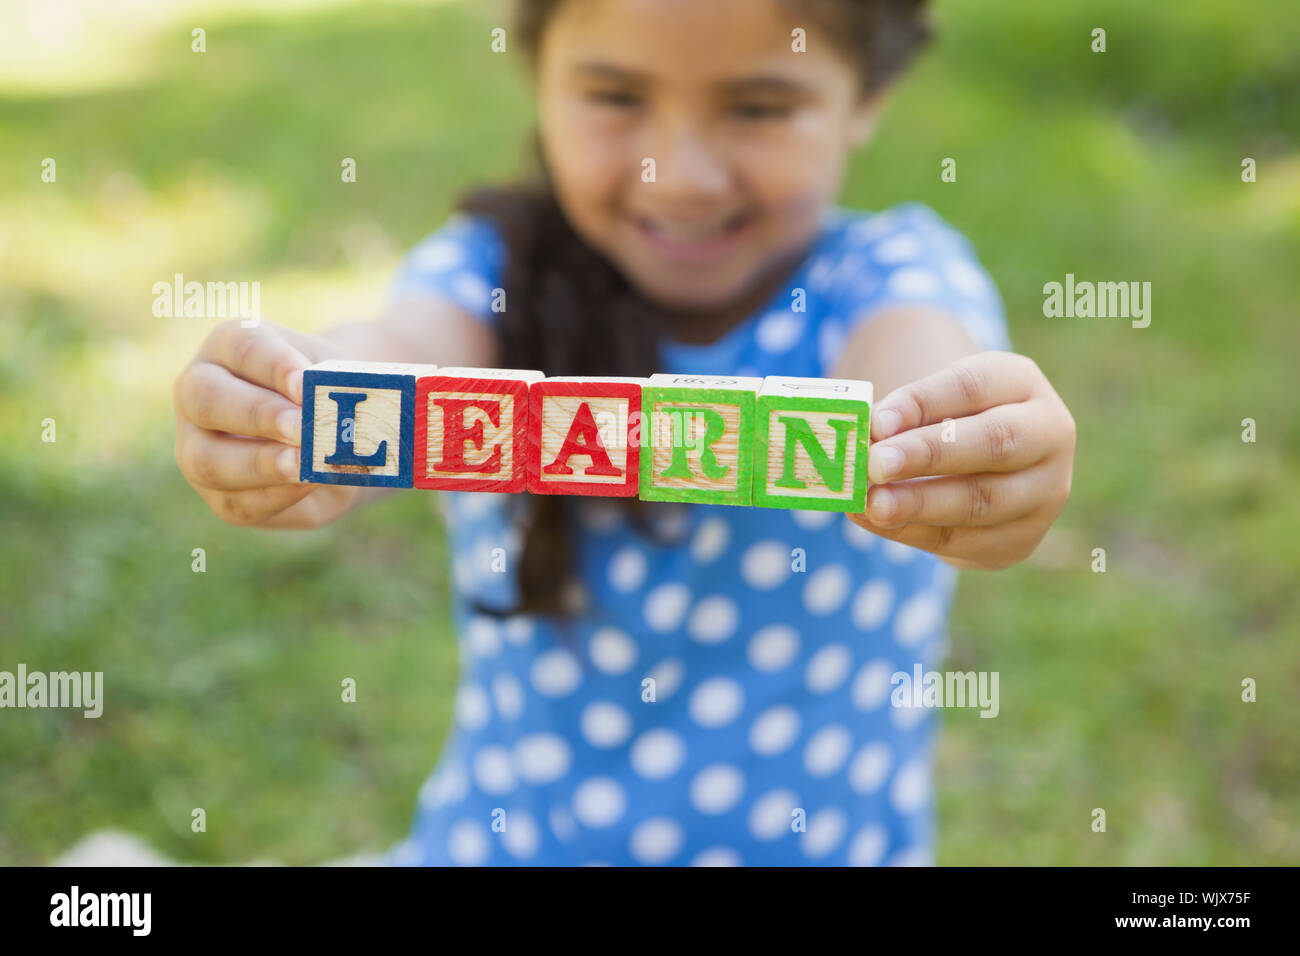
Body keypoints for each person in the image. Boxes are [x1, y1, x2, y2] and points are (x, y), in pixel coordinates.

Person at [172, 0, 1075, 865]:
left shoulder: (892, 274)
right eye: (615, 97)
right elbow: (397, 354)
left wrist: (959, 447)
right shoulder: (488, 271)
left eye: (759, 106)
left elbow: (915, 373)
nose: (679, 175)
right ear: (537, 73)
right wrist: (298, 394)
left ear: (866, 98)